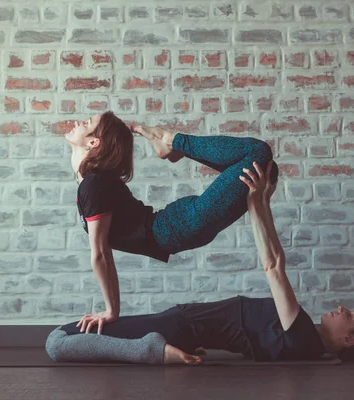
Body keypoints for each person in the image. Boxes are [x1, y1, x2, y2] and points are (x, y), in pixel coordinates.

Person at [46, 162, 354, 366]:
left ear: (348, 340)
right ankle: (152, 349)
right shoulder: (304, 337)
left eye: (348, 315)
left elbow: (273, 264)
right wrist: (256, 203)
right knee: (64, 339)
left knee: (58, 341)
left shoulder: (304, 341)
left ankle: (151, 352)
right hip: (183, 326)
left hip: (178, 330)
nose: (339, 308)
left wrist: (258, 202)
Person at [64, 111, 278, 334]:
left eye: (87, 123)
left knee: (261, 158)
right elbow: (102, 253)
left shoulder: (93, 185)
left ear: (93, 142)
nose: (78, 122)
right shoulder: (91, 183)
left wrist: (111, 312)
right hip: (181, 225)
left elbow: (100, 255)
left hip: (183, 224)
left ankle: (172, 141)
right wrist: (112, 311)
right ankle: (171, 145)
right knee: (258, 160)